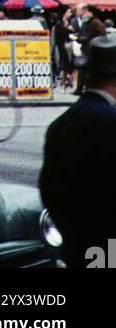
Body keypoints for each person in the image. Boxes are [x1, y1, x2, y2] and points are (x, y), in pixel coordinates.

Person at [40, 31, 116, 268]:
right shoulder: (110, 120)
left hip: (76, 244)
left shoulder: (61, 123)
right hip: (108, 245)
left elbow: (48, 188)